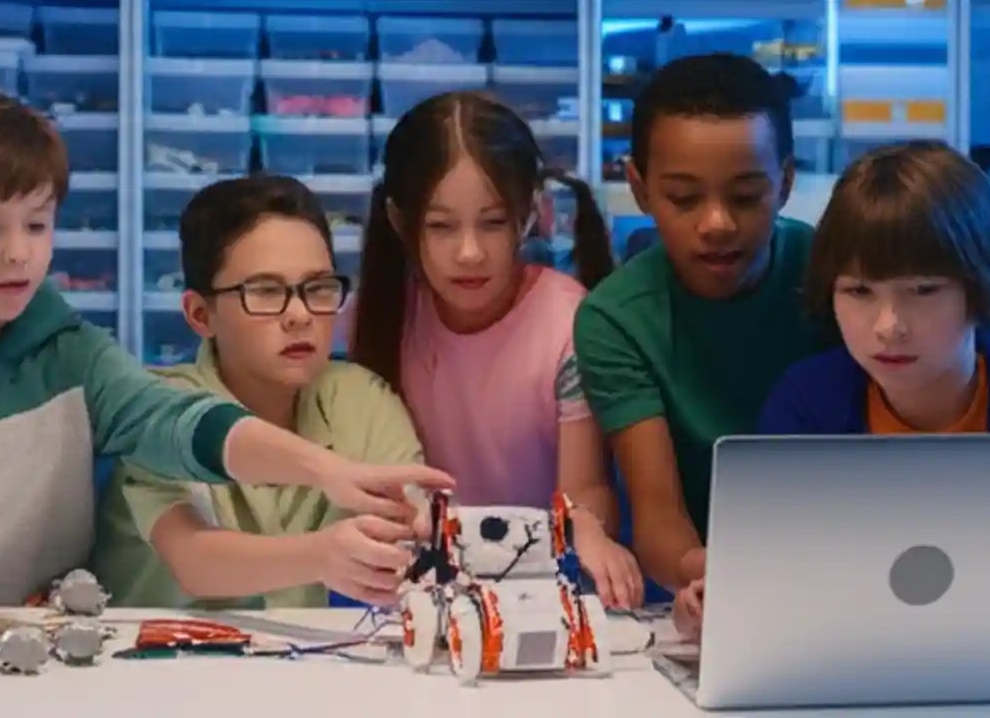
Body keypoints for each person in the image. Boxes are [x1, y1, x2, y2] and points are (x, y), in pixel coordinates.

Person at [0, 93, 449, 613]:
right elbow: (194, 556)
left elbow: (180, 424)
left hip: (40, 641)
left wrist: (338, 477)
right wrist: (324, 521)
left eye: (37, 225)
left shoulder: (78, 356)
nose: (18, 253)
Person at [674, 141, 990, 669]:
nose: (889, 325)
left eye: (923, 290)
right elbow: (767, 564)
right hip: (853, 677)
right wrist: (724, 605)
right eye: (859, 292)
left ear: (978, 288)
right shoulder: (807, 403)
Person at [348, 91, 644, 608]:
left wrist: (588, 530)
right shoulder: (379, 317)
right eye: (441, 226)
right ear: (399, 220)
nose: (469, 252)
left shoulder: (570, 323)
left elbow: (584, 489)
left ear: (529, 214)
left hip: (539, 587)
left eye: (492, 221)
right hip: (420, 586)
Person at [93, 175, 428, 608]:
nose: (300, 315)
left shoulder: (359, 398)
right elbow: (193, 561)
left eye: (318, 288)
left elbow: (415, 515)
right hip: (152, 647)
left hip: (294, 650)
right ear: (200, 314)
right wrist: (320, 556)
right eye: (266, 292)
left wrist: (421, 522)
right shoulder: (159, 410)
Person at [574, 53, 827, 592]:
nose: (717, 224)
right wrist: (710, 580)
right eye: (684, 198)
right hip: (699, 584)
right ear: (639, 187)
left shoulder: (837, 278)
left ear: (785, 182)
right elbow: (658, 518)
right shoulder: (615, 320)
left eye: (746, 196)